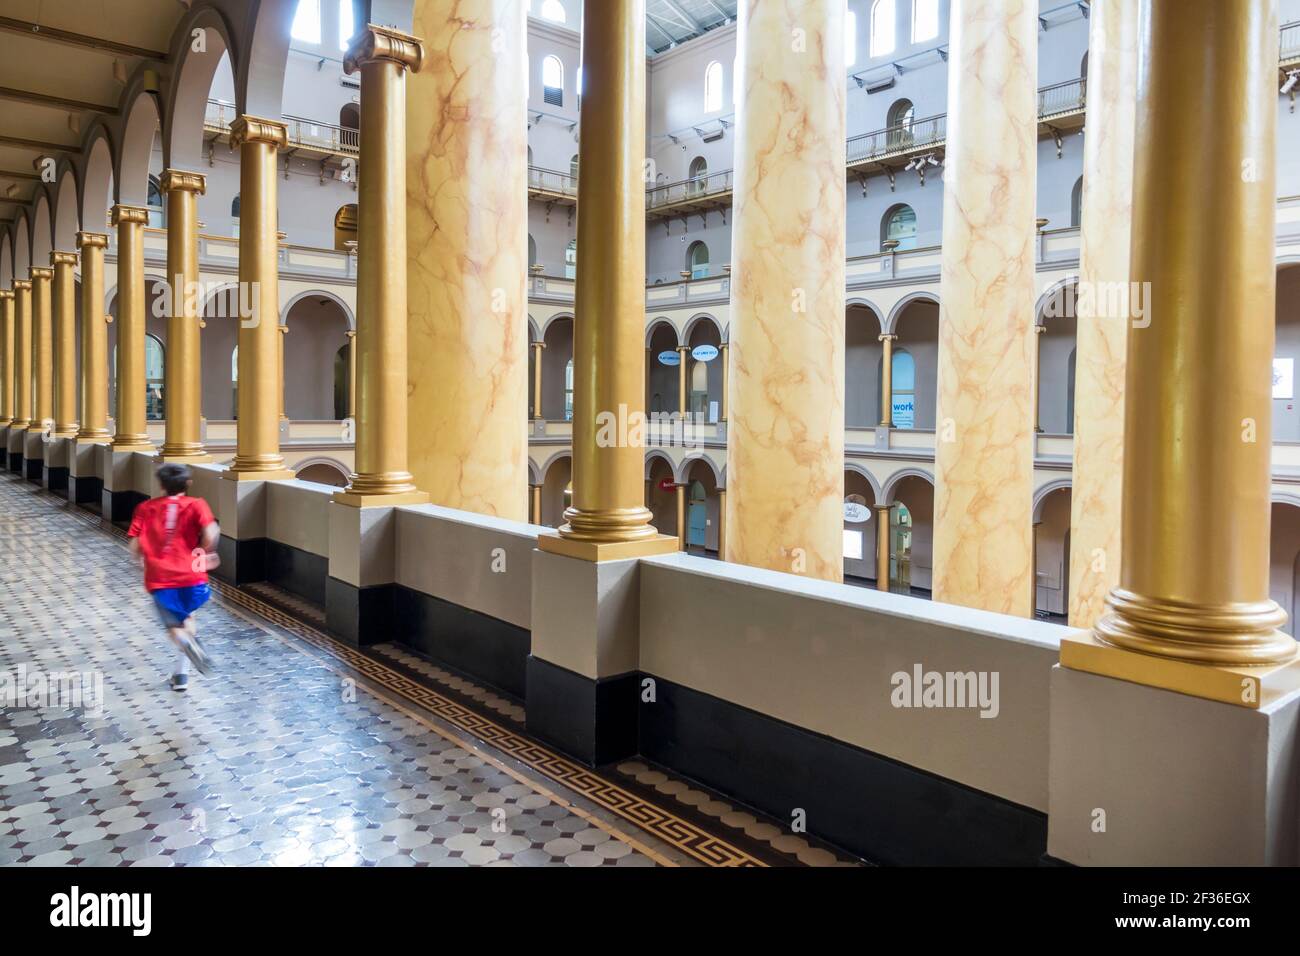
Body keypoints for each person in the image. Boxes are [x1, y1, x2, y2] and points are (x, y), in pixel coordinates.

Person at [127, 463, 220, 692]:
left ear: (160, 484)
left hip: (162, 578)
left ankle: (187, 648)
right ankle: (181, 674)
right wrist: (205, 551)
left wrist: (141, 559)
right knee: (188, 619)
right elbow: (210, 534)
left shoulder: (145, 508)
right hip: (193, 576)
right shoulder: (197, 504)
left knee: (175, 627)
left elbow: (135, 543)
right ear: (187, 483)